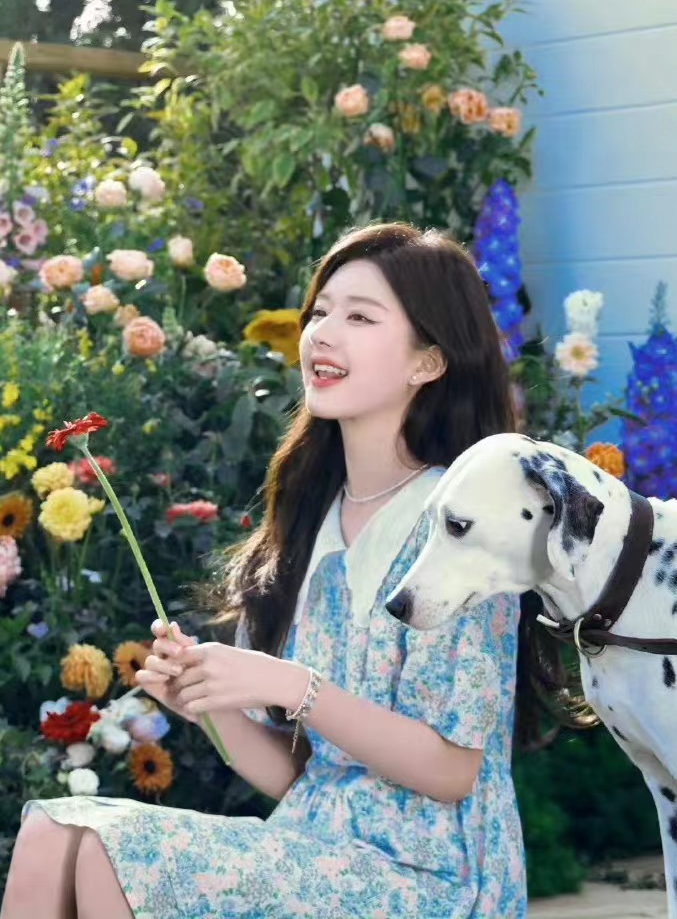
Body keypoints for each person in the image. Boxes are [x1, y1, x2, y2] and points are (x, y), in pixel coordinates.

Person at [3, 222, 559, 919]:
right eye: (321, 312)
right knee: (53, 830)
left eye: (360, 316)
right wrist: (211, 707)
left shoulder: (459, 529)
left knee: (104, 846)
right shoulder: (313, 520)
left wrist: (295, 686)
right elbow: (302, 777)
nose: (323, 333)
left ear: (429, 361)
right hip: (316, 853)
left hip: (431, 879)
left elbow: (453, 771)